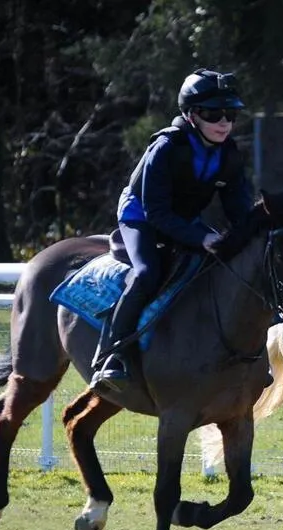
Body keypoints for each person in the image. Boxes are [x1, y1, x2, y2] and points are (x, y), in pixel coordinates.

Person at [90, 68, 254, 392]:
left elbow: (240, 211)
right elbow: (157, 213)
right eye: (213, 113)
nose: (224, 122)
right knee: (147, 273)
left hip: (182, 217)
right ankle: (111, 356)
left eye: (230, 114)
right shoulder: (165, 147)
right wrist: (201, 237)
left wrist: (255, 235)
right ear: (191, 115)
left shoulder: (229, 154)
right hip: (142, 217)